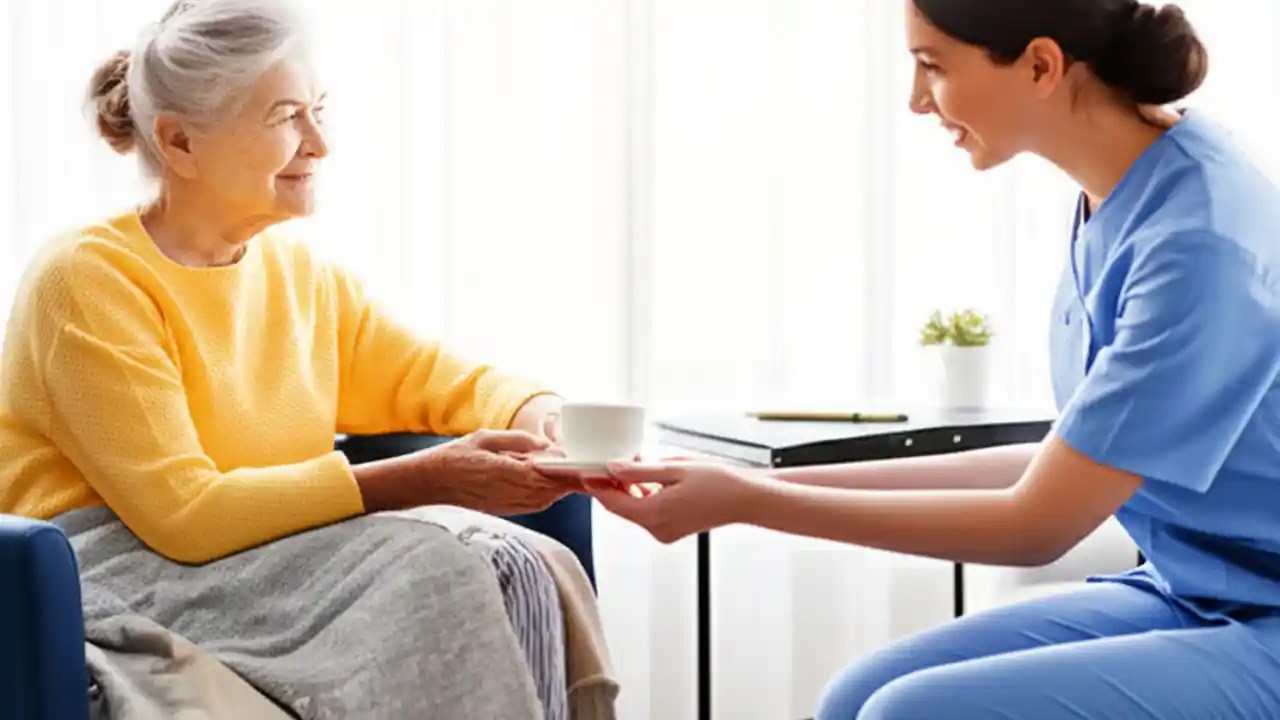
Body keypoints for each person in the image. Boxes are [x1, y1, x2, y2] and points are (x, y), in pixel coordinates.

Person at [563, 1, 1280, 717]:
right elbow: (1060, 465)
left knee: (906, 713)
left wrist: (749, 503)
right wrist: (749, 480)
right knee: (855, 697)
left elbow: (1038, 525)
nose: (914, 100)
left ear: (1041, 65)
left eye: (932, 66)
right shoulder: (1120, 193)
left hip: (1263, 612)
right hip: (1199, 589)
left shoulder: (1198, 240)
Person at [0, 0, 598, 716]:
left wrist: (538, 413)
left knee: (522, 566)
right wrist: (431, 476)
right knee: (440, 571)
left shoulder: (301, 279)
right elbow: (187, 515)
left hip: (265, 559)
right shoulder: (87, 280)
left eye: (320, 109)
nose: (319, 144)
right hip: (109, 571)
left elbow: (440, 381)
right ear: (180, 142)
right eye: (287, 117)